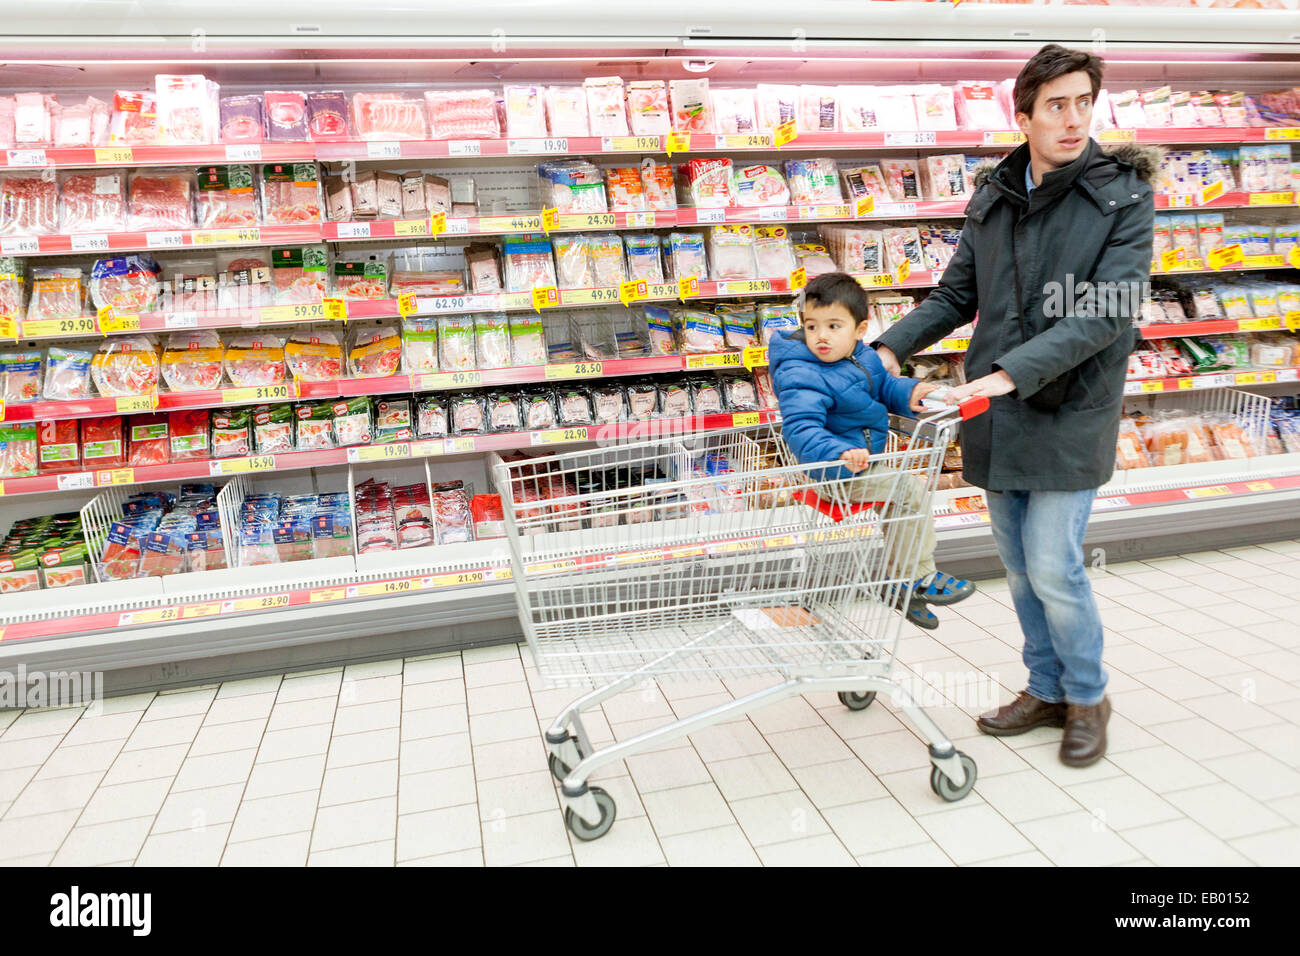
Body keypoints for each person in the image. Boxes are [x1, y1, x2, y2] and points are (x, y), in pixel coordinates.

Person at [873, 43, 1159, 767]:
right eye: (1056, 105)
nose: (1073, 119)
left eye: (1083, 103)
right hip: (997, 408)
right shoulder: (996, 194)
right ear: (1023, 115)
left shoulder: (1122, 193)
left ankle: (1088, 696)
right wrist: (884, 348)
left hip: (1070, 403)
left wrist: (1007, 373)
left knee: (1054, 563)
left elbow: (1105, 313)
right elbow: (955, 293)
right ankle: (1045, 688)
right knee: (1021, 566)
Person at [769, 271, 977, 630]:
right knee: (908, 490)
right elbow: (801, 429)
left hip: (860, 465)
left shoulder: (861, 358)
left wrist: (912, 392)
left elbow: (884, 387)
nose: (821, 336)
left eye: (834, 326)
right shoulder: (799, 371)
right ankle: (916, 578)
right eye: (812, 326)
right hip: (834, 472)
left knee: (903, 498)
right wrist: (839, 454)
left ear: (860, 330)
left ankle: (904, 581)